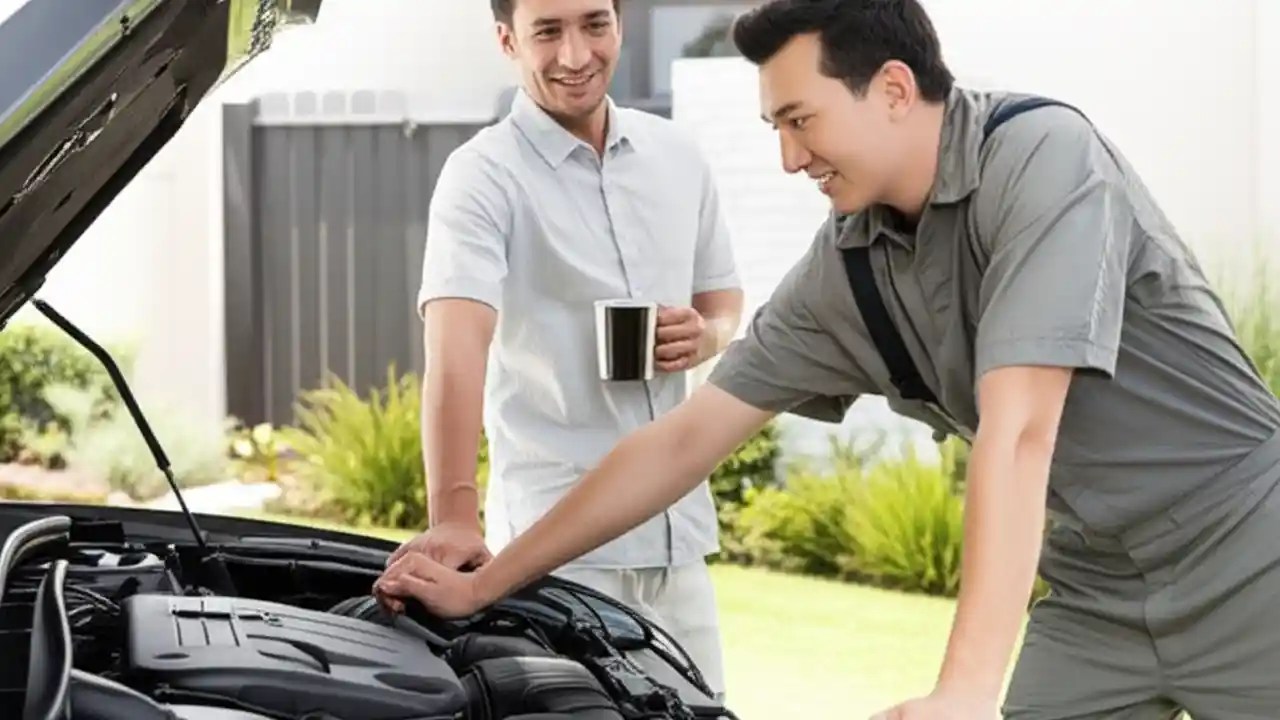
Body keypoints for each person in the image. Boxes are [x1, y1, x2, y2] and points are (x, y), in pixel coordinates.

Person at [377, 1, 1280, 718]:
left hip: (1248, 557)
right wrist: (487, 583)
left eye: (800, 120)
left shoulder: (1043, 158)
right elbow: (680, 443)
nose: (786, 157)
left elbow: (1019, 431)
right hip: (1095, 595)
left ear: (892, 89)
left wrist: (965, 691)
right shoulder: (846, 268)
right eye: (775, 125)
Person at [384, 0, 744, 703]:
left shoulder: (678, 155)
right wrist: (454, 514)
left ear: (620, 24)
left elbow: (724, 302)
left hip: (681, 541)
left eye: (593, 24)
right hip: (560, 557)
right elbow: (458, 352)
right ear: (507, 40)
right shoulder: (482, 176)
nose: (576, 55)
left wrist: (706, 334)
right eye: (547, 32)